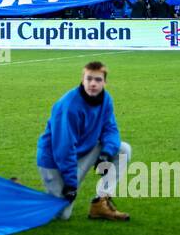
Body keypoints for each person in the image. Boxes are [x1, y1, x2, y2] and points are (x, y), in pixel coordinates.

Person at [35, 60, 131, 221]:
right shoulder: (69, 105)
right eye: (89, 79)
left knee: (123, 150)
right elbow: (64, 149)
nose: (93, 83)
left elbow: (110, 129)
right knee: (61, 215)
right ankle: (19, 193)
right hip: (54, 160)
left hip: (82, 152)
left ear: (105, 82)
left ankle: (100, 203)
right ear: (82, 80)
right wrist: (71, 184)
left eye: (98, 80)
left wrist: (106, 155)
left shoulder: (106, 99)